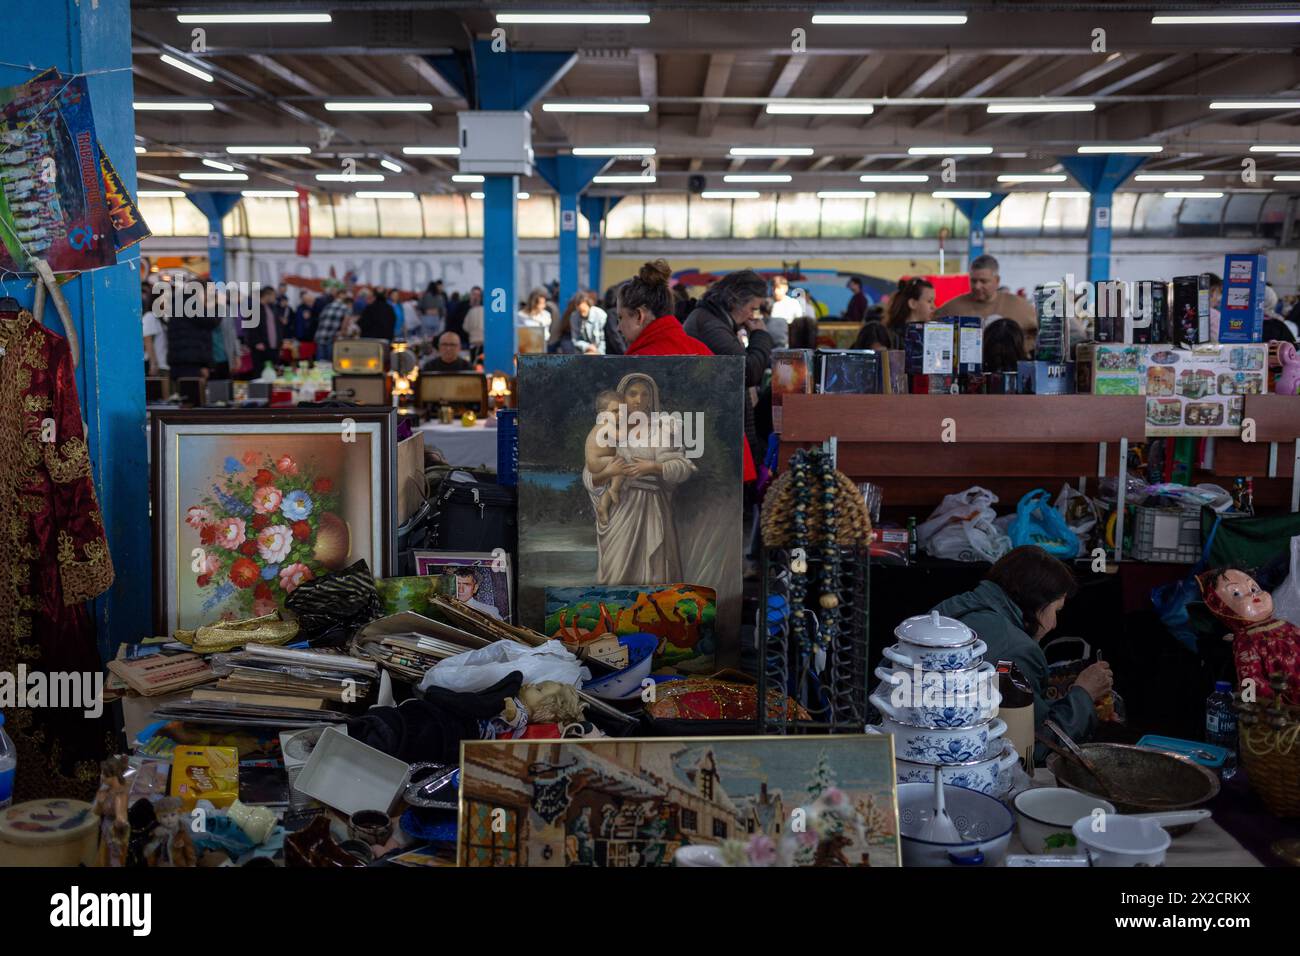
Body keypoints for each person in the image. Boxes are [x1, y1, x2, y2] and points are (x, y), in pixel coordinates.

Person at [933, 546, 1112, 750]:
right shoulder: (1018, 650)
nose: (1054, 624)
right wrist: (1084, 695)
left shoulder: (953, 607)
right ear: (1036, 603)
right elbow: (1034, 749)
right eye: (1056, 610)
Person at [616, 259, 756, 482]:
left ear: (640, 316)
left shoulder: (637, 366)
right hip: (722, 474)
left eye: (621, 317)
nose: (618, 327)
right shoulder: (699, 350)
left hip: (673, 482)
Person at [683, 269, 772, 477]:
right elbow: (747, 371)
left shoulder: (711, 320)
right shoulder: (711, 325)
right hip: (716, 432)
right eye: (752, 308)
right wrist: (760, 336)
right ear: (736, 300)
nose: (752, 315)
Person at [935, 254, 1037, 346]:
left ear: (997, 280)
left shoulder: (1019, 307)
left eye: (983, 281)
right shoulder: (952, 308)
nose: (977, 286)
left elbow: (1043, 332)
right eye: (973, 281)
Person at [241, 285, 281, 378]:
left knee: (272, 372)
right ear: (267, 295)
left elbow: (277, 327)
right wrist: (256, 342)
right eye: (273, 295)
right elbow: (249, 327)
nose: (275, 298)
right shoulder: (254, 307)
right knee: (260, 373)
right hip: (260, 347)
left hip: (273, 346)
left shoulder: (272, 308)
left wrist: (279, 343)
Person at [883, 276, 936, 345]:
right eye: (929, 301)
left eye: (933, 301)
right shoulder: (892, 336)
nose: (934, 307)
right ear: (912, 303)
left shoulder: (930, 334)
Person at [314, 291, 352, 361]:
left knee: (320, 363)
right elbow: (344, 325)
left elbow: (320, 319)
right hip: (332, 337)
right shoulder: (346, 308)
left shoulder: (328, 306)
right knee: (330, 363)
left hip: (320, 335)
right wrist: (343, 333)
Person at [767, 275, 802, 349]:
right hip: (767, 344)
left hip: (787, 345)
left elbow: (799, 325)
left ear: (785, 288)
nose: (776, 291)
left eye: (778, 288)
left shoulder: (793, 303)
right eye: (774, 288)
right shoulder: (766, 303)